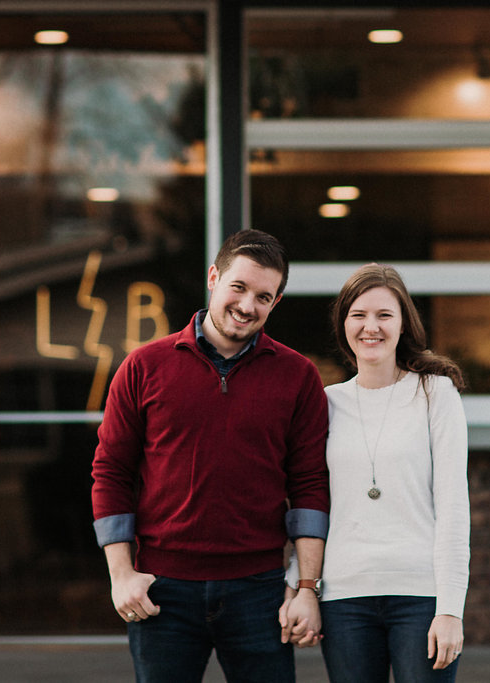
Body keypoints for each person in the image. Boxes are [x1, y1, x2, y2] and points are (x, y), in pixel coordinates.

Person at [91, 229, 330, 683]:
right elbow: (111, 472)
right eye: (238, 287)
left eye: (263, 297)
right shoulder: (143, 367)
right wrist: (121, 574)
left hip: (259, 591)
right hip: (162, 589)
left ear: (276, 302)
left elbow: (309, 484)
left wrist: (306, 588)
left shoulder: (298, 376)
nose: (247, 305)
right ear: (213, 278)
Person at [293, 263, 470, 682]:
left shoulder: (434, 392)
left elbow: (453, 507)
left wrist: (450, 609)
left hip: (421, 596)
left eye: (384, 315)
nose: (370, 327)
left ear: (403, 324)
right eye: (358, 315)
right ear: (344, 325)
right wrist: (301, 586)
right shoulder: (325, 402)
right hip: (344, 598)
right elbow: (311, 499)